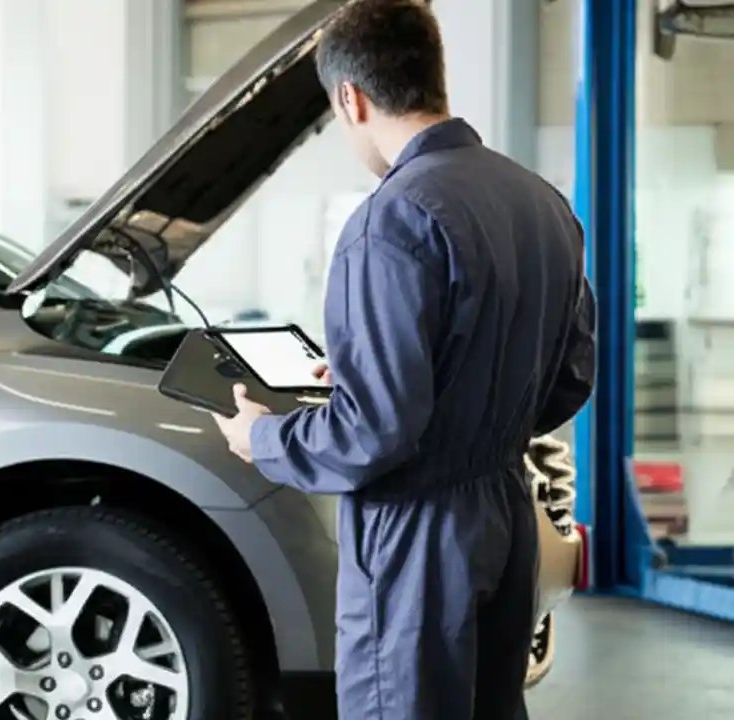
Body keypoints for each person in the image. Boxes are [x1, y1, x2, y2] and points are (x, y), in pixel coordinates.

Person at [210, 1, 596, 719]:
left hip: (417, 539)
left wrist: (261, 438)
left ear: (349, 98)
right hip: (504, 515)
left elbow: (372, 434)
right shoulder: (542, 203)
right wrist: (448, 399)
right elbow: (569, 375)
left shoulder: (392, 219)